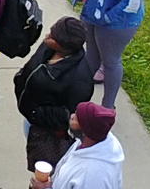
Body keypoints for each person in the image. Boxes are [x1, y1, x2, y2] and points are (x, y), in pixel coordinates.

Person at [16, 17, 96, 175]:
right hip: (30, 117)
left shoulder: (80, 80)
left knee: (43, 171)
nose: (46, 36)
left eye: (52, 37)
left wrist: (37, 114)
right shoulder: (48, 47)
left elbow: (69, 113)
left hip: (44, 127)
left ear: (65, 47)